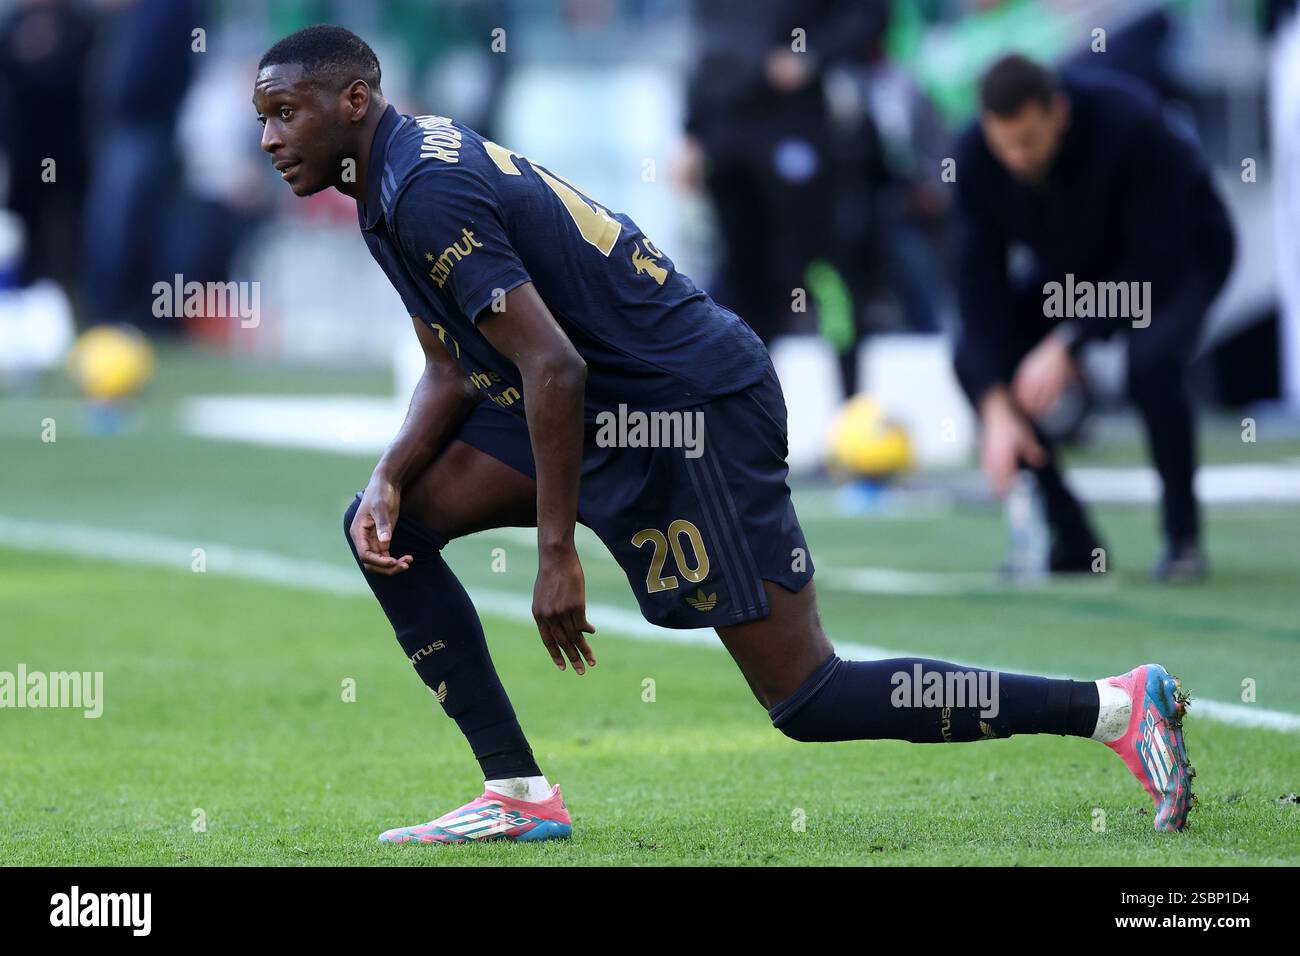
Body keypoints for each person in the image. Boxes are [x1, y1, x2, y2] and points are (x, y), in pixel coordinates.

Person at [252, 26, 1195, 843]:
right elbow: (455, 363)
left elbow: (554, 369)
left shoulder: (423, 192)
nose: (268, 138)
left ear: (355, 99)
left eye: (285, 113)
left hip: (686, 410)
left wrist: (556, 555)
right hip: (604, 409)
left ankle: (1115, 707)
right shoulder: (385, 176)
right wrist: (389, 473)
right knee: (388, 528)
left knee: (810, 699)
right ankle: (517, 793)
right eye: (264, 117)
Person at [952, 55, 1235, 581]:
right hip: (1078, 274)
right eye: (1004, 144)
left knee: (1150, 361)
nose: (1016, 159)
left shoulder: (1131, 123)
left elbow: (1156, 261)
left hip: (1182, 257)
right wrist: (994, 404)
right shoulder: (974, 156)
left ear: (1057, 113)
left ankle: (1183, 541)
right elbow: (977, 281)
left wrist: (1068, 342)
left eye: (1028, 142)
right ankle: (1074, 540)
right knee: (973, 358)